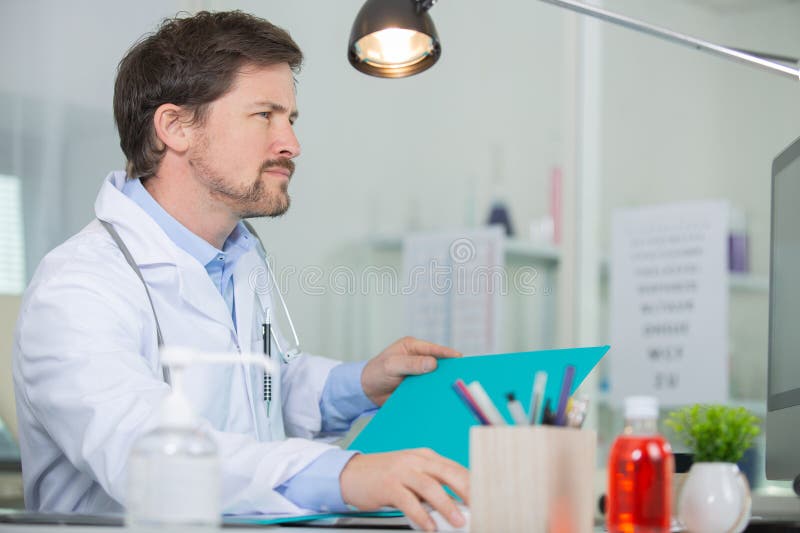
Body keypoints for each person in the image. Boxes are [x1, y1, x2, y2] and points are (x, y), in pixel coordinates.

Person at [12, 10, 468, 531]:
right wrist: (347, 476)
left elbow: (260, 393)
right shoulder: (78, 288)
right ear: (176, 127)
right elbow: (152, 456)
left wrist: (361, 384)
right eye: (265, 115)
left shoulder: (237, 260)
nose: (291, 144)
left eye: (290, 119)